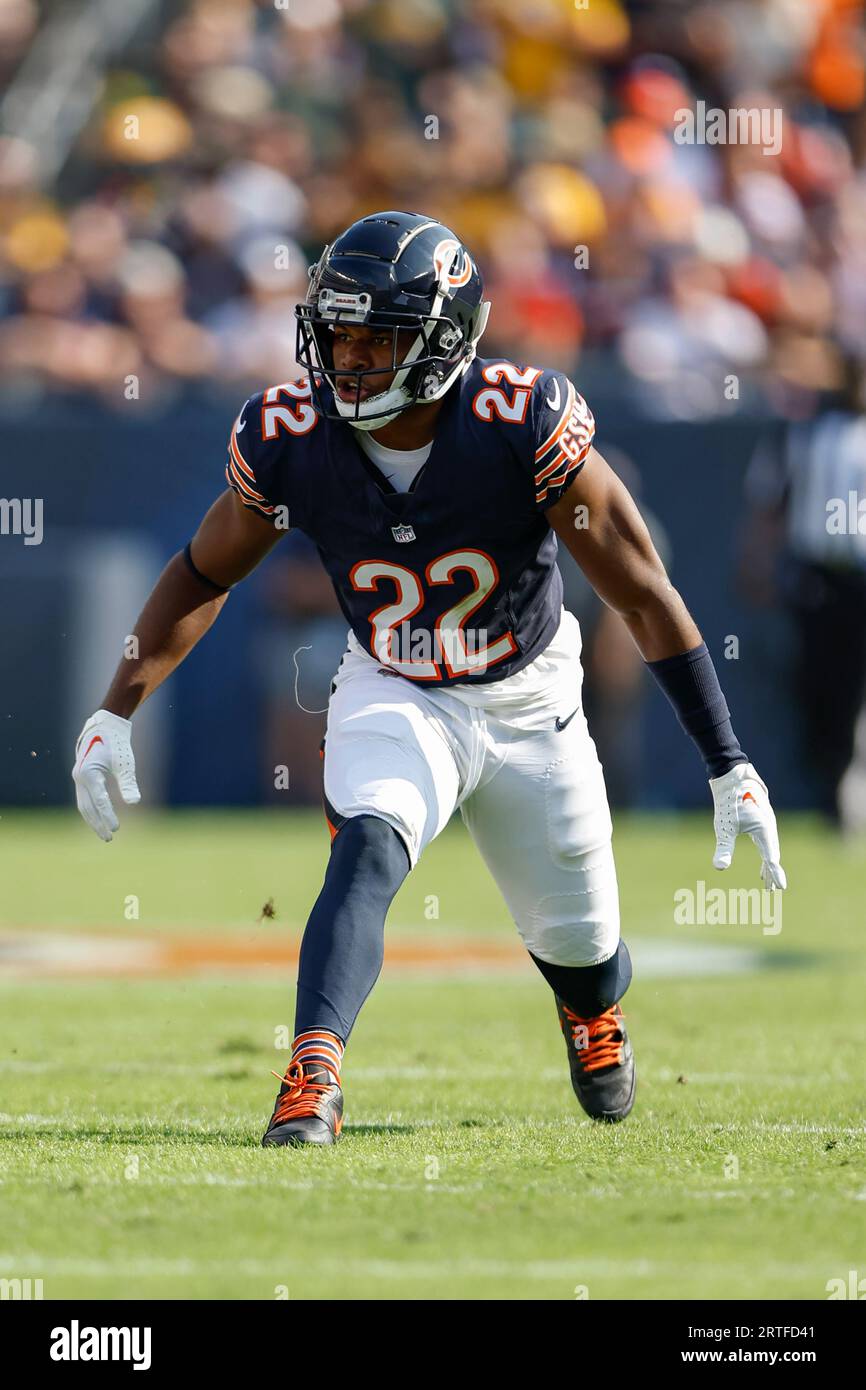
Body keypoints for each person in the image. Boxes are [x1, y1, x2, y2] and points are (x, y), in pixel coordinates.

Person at [72, 211, 786, 1146]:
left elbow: (645, 595)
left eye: (377, 338)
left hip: (529, 697)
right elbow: (204, 572)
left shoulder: (518, 423)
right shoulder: (292, 434)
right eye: (338, 334)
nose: (349, 359)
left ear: (444, 341)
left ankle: (590, 1011)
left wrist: (725, 759)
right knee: (367, 844)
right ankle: (313, 1073)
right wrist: (113, 710)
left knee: (582, 949)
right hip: (395, 683)